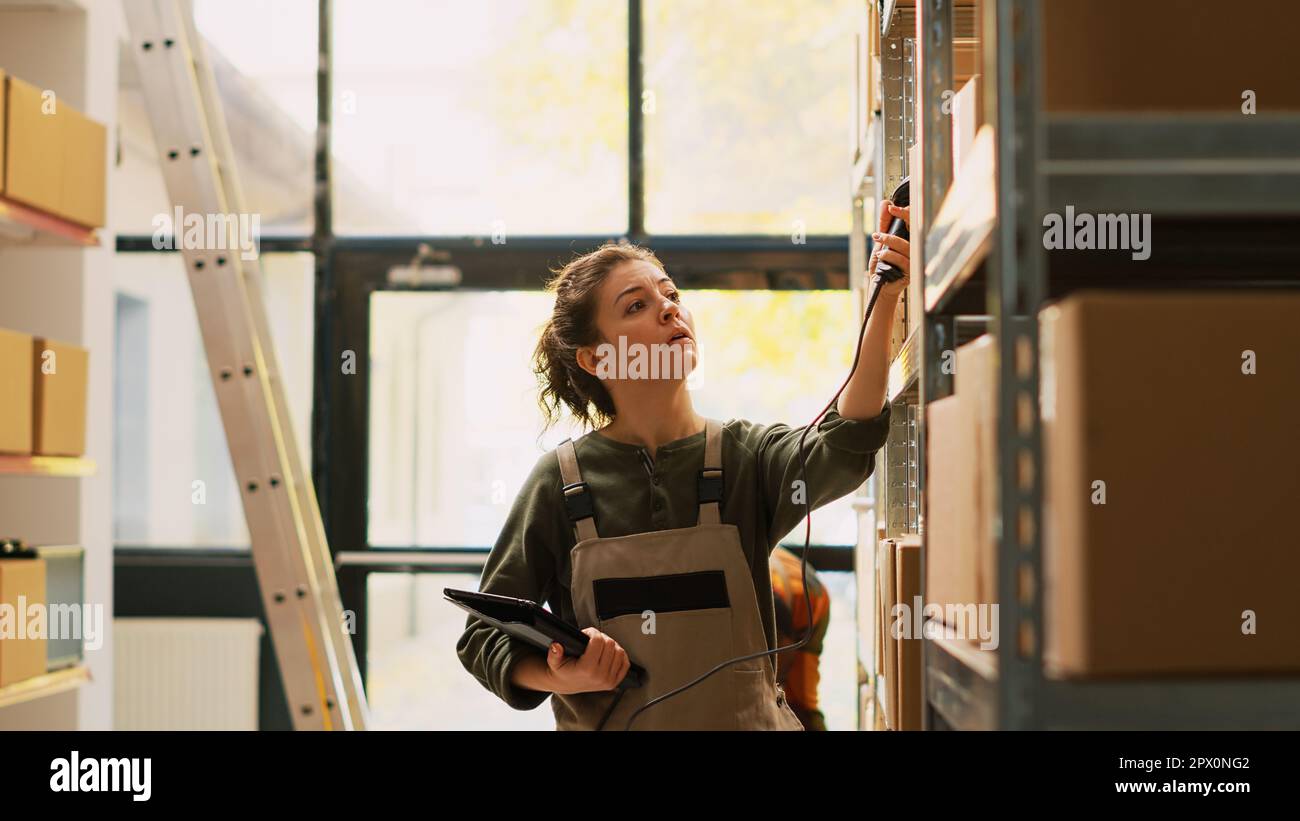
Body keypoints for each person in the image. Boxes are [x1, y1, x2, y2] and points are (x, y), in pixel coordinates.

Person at [456, 201, 911, 730]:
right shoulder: (560, 484)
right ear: (595, 358)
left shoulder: (745, 457)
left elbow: (844, 443)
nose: (670, 309)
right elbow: (482, 635)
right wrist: (564, 676)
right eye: (636, 306)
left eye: (671, 294)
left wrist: (886, 293)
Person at [769, 545, 832, 731]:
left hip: (805, 599)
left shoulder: (812, 602)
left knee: (796, 702)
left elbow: (806, 707)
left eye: (780, 670)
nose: (775, 676)